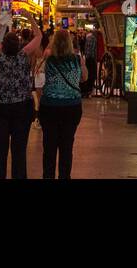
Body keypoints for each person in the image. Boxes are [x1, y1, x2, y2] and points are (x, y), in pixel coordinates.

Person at [0, 14, 42, 179]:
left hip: (0, 108)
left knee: (0, 152)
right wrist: (30, 17)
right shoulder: (24, 55)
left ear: (4, 45)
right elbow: (38, 36)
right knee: (19, 152)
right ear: (18, 44)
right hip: (21, 109)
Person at [37, 28, 87, 179]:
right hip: (72, 108)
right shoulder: (77, 59)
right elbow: (84, 78)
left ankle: (48, 176)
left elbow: (38, 80)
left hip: (49, 107)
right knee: (66, 147)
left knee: (49, 148)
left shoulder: (49, 60)